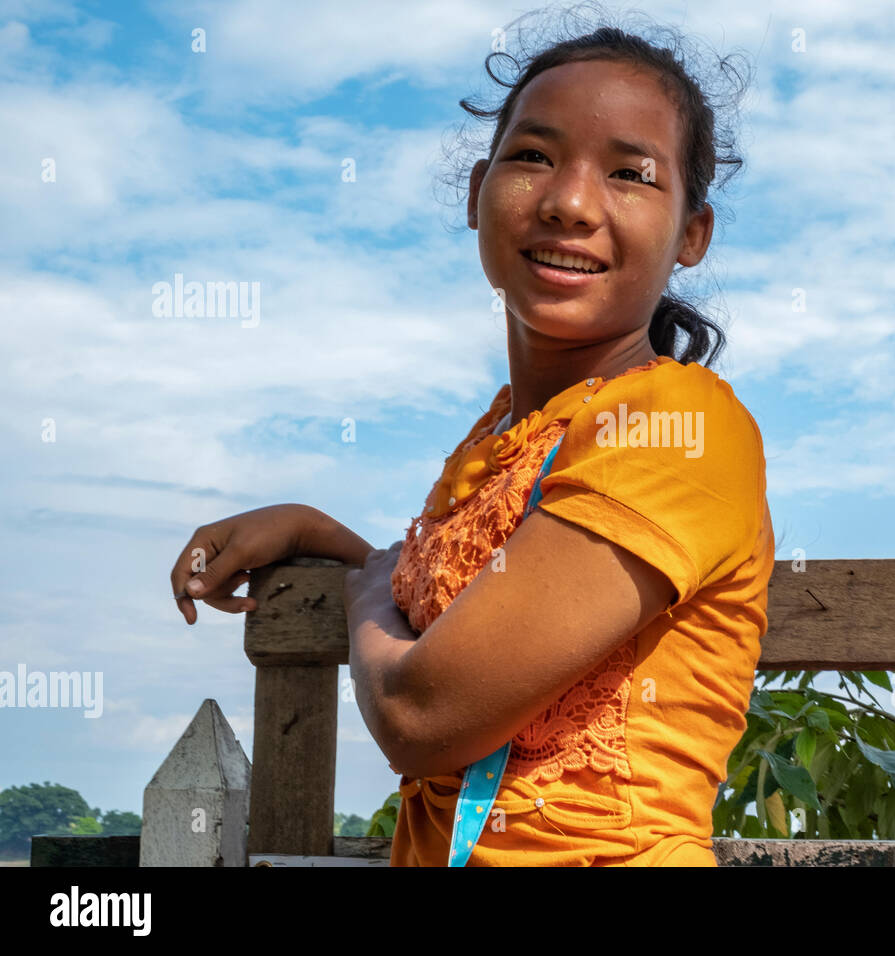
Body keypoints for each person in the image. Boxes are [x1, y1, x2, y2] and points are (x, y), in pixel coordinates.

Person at [169, 5, 770, 866]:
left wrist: (366, 593)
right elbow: (449, 608)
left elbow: (423, 713)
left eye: (631, 173)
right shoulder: (504, 434)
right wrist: (310, 532)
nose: (568, 202)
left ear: (692, 236)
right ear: (476, 193)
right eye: (533, 157)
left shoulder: (679, 429)